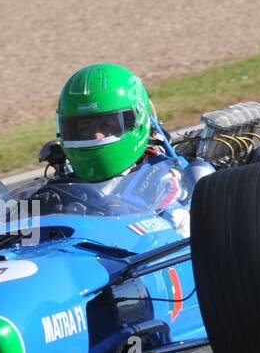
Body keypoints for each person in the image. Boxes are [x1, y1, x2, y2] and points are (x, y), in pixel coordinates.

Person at [52, 63, 189, 229]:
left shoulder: (163, 178)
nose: (97, 136)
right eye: (84, 129)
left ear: (137, 122)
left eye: (108, 125)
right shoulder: (59, 191)